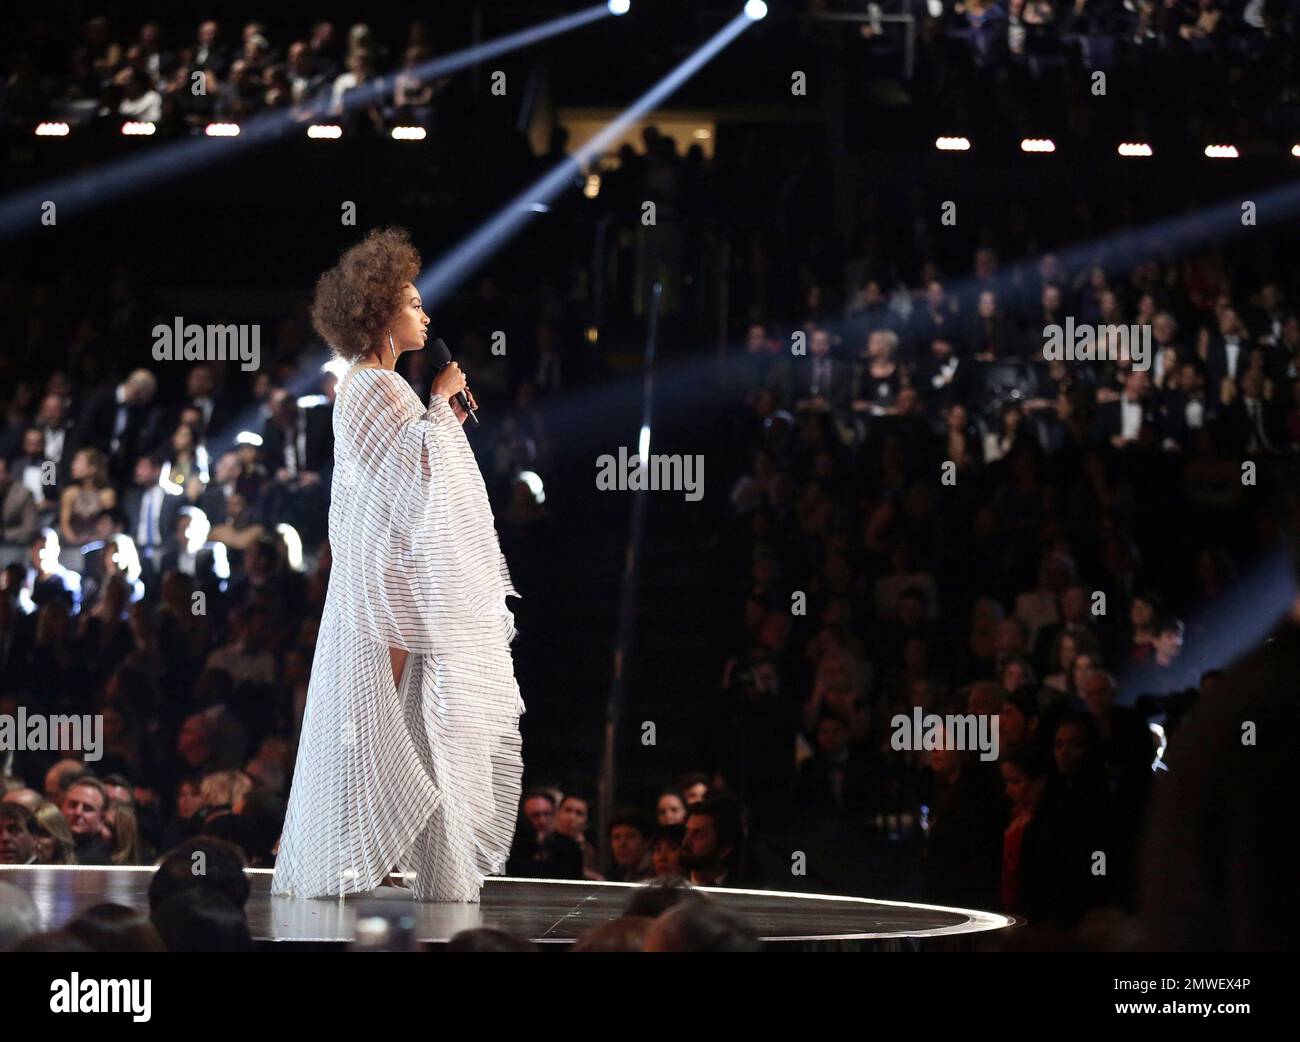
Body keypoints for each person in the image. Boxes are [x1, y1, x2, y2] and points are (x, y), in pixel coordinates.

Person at [273, 227, 524, 902]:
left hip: (400, 591)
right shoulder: (374, 388)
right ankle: (375, 871)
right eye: (413, 303)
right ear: (380, 313)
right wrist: (442, 399)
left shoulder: (375, 387)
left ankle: (437, 880)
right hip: (390, 596)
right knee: (401, 733)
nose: (426, 315)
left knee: (426, 735)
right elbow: (414, 478)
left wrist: (434, 409)